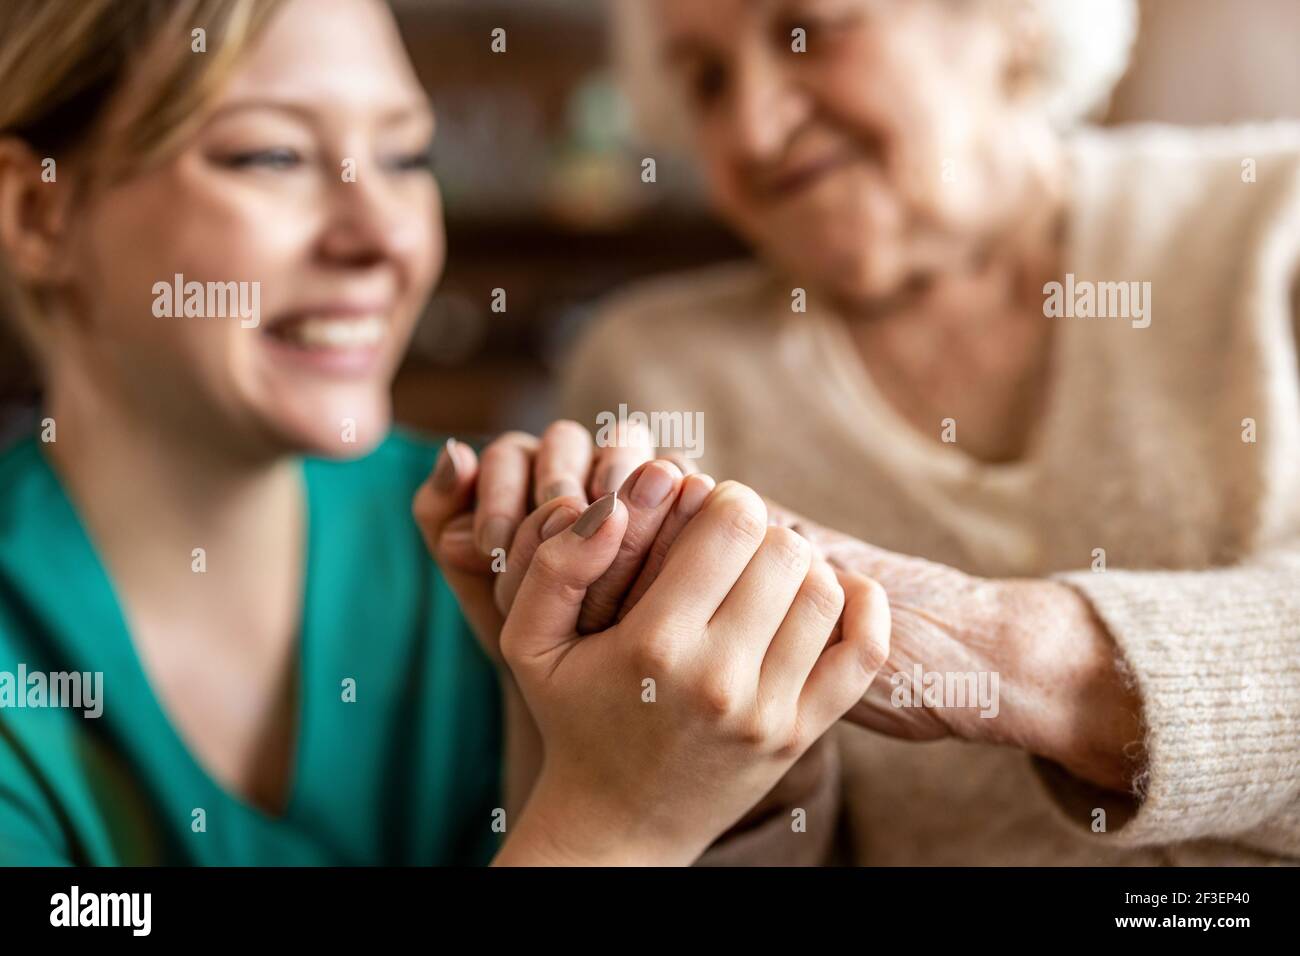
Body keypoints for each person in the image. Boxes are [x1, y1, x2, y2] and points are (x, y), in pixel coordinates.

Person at [0, 0, 889, 866]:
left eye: (406, 156)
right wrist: (616, 826)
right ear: (38, 214)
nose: (384, 234)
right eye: (271, 154)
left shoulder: (504, 553)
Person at [562, 0, 1300, 864]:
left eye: (812, 30)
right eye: (706, 81)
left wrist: (1006, 652)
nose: (755, 129)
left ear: (1011, 20)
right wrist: (736, 775)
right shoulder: (656, 376)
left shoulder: (1272, 220)